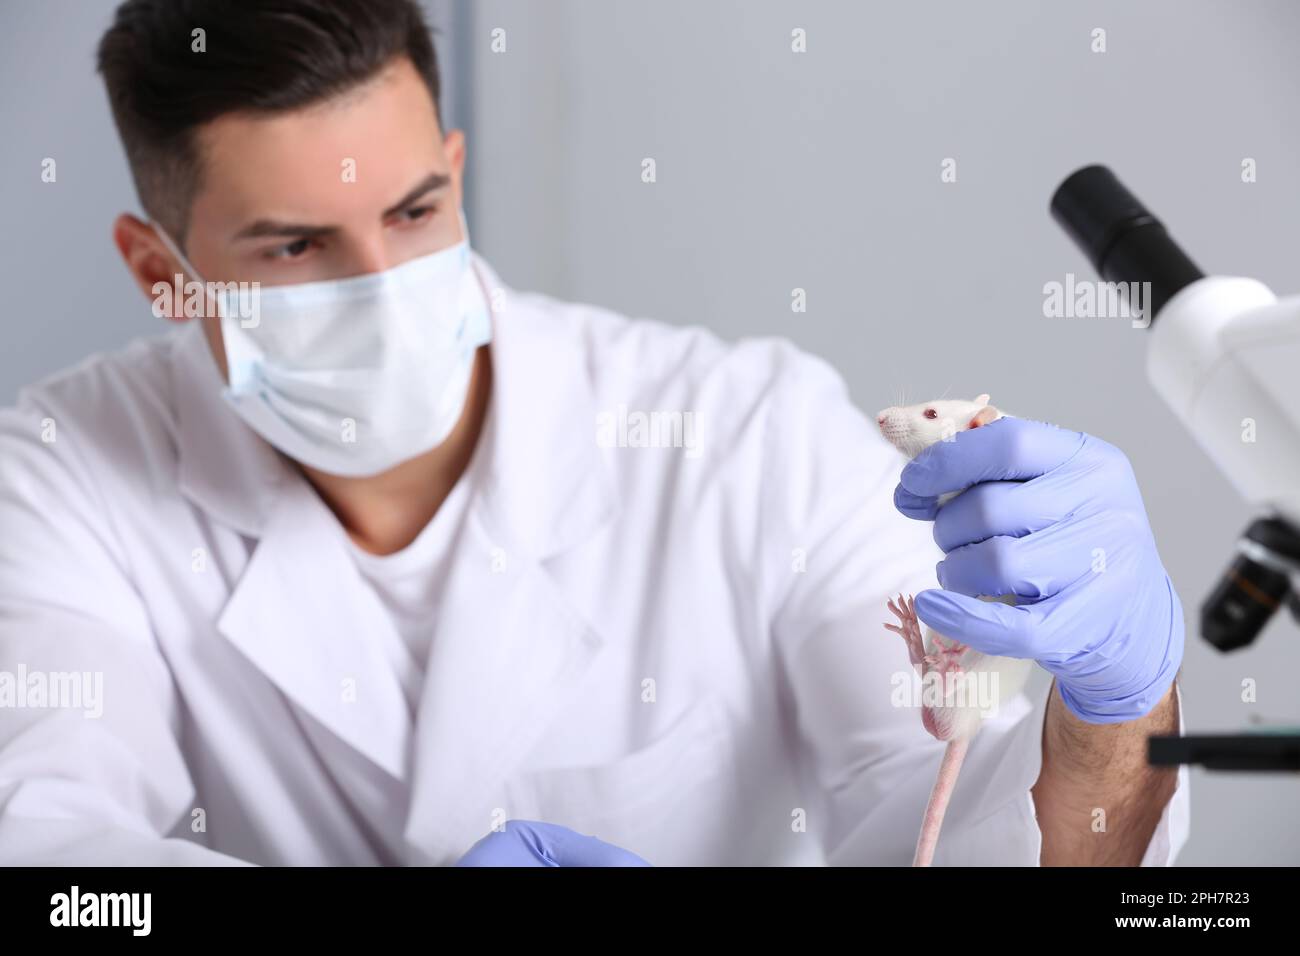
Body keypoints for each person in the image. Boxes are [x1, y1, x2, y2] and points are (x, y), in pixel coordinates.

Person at [0, 0, 1187, 866]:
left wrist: (1115, 702)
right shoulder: (62, 477)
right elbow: (59, 863)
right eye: (296, 246)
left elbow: (989, 840)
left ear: (453, 173)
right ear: (162, 272)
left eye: (416, 212)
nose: (379, 283)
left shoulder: (742, 437)